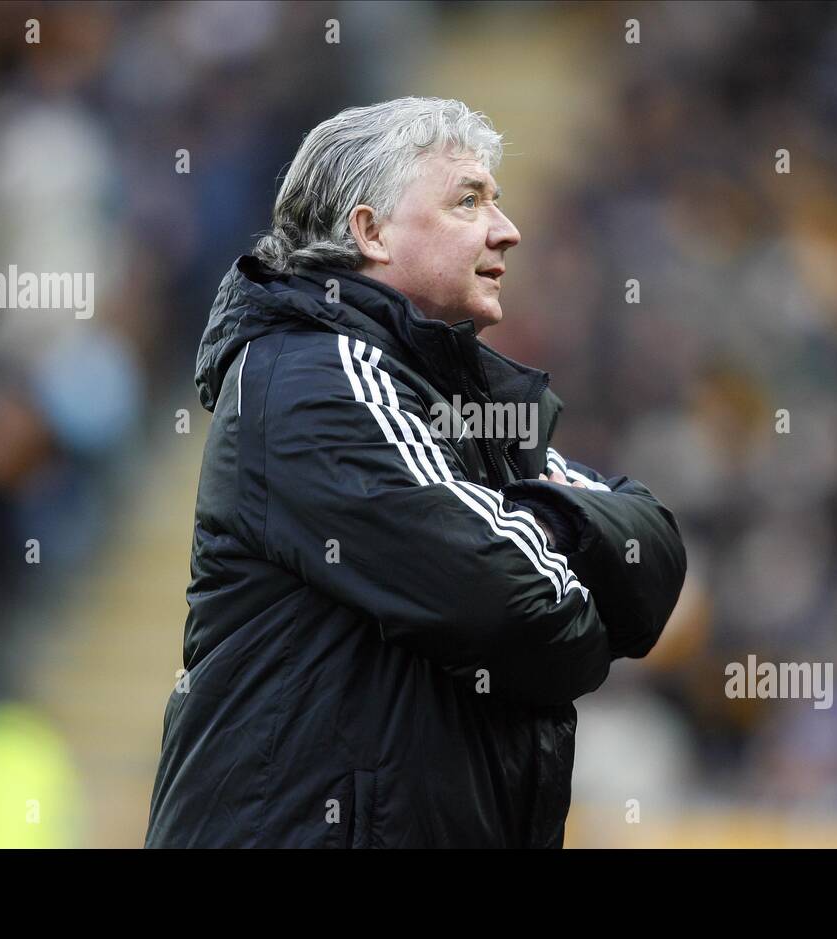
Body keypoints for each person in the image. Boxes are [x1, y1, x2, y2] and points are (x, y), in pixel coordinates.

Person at [145, 97, 686, 848]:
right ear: (369, 231)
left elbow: (653, 549)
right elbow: (516, 605)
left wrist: (538, 525)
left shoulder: (441, 399)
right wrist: (565, 554)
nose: (508, 229)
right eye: (469, 200)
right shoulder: (313, 376)